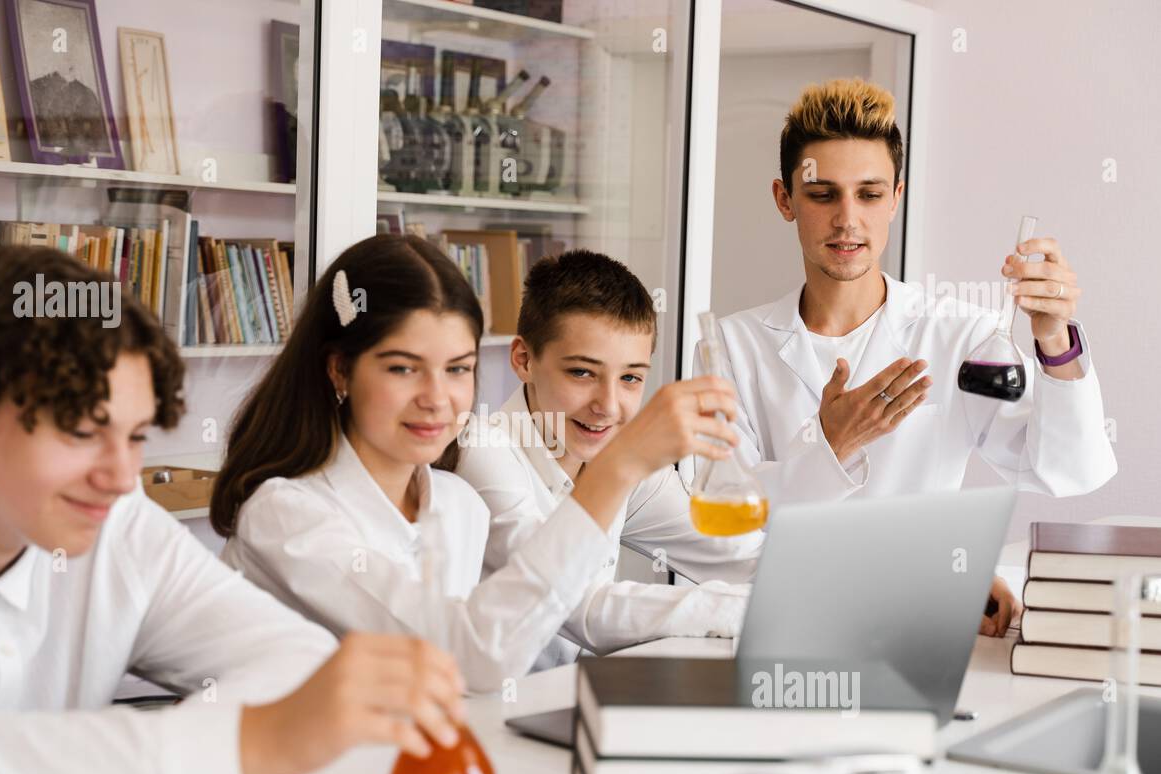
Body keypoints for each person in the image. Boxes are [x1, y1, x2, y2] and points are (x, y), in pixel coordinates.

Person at [0, 246, 466, 774]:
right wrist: (244, 744)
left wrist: (193, 760)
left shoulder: (117, 523)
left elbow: (292, 656)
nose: (123, 477)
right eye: (80, 433)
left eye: (136, 436)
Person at [213, 235, 738, 690]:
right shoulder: (286, 516)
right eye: (403, 368)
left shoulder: (455, 505)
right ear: (339, 371)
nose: (437, 399)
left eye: (458, 369)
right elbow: (471, 656)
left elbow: (473, 678)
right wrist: (620, 466)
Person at [711, 77, 1116, 636]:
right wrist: (828, 446)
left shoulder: (959, 337)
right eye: (822, 193)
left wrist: (1055, 339)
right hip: (776, 632)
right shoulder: (732, 347)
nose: (847, 219)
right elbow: (721, 519)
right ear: (786, 199)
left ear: (896, 198)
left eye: (870, 194)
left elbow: (1067, 470)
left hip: (915, 633)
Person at [456, 250, 757, 669]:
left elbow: (740, 555)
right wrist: (740, 611)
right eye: (582, 373)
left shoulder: (617, 456)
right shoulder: (482, 451)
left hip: (565, 707)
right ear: (524, 360)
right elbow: (580, 607)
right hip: (490, 718)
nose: (608, 406)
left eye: (631, 378)